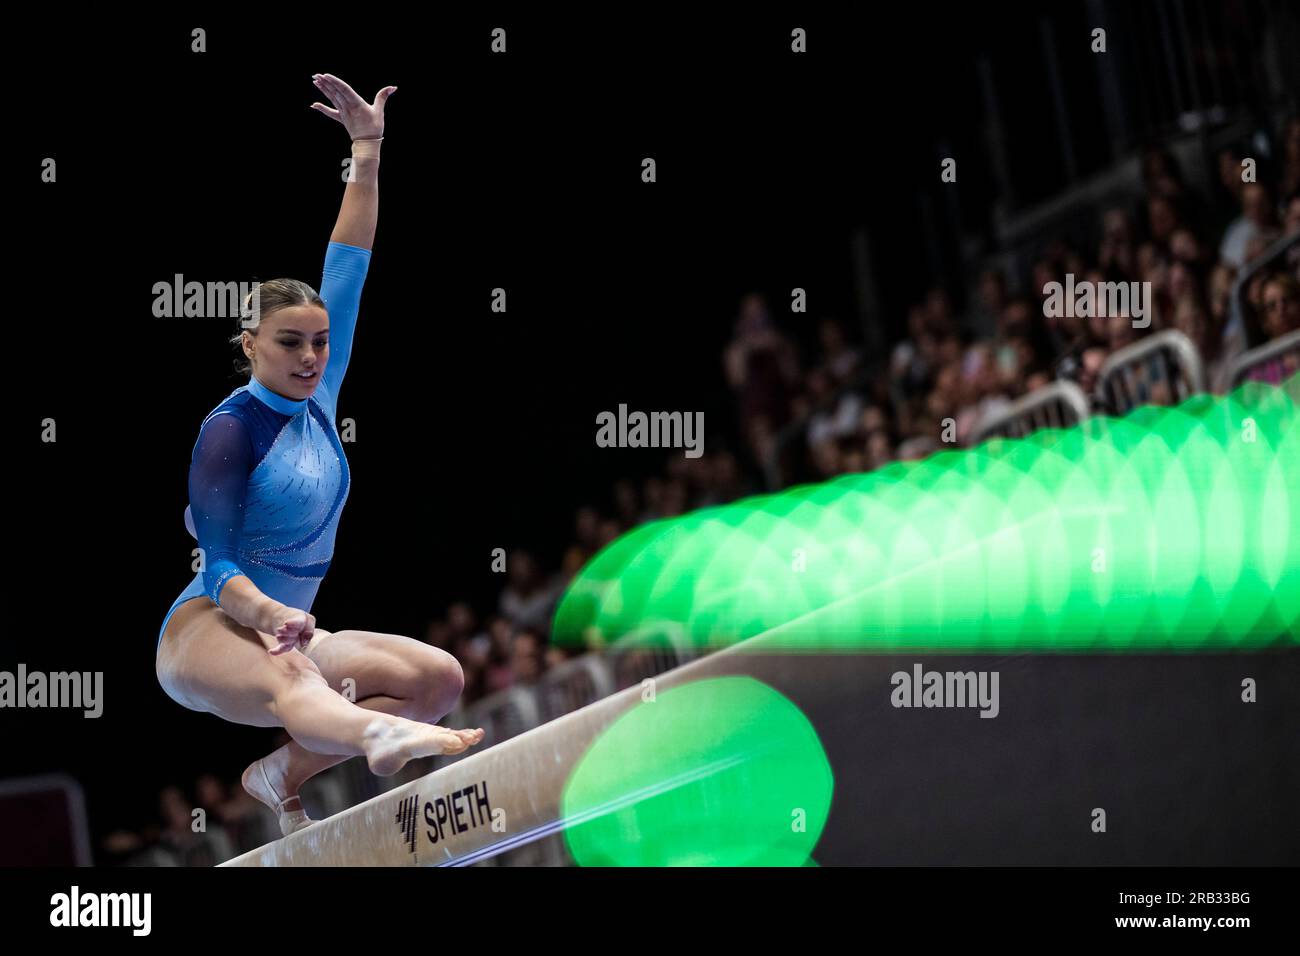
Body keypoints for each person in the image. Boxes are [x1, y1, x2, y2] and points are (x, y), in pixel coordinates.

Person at [155, 74, 483, 838]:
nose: (310, 357)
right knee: (297, 672)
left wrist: (365, 153)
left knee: (435, 680)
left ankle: (282, 772)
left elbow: (349, 264)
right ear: (250, 346)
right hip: (208, 629)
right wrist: (274, 616)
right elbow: (221, 566)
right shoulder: (229, 433)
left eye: (319, 342)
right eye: (289, 343)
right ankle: (376, 738)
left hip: (288, 629)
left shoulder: (320, 394)